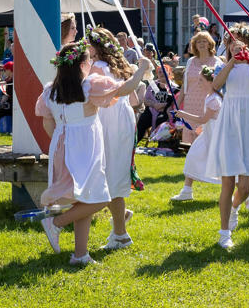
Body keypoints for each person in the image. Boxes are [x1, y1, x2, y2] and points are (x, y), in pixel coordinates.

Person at [37, 40, 148, 265]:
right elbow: (124, 89)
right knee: (100, 197)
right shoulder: (90, 85)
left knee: (83, 199)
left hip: (62, 145)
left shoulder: (50, 90)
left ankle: (80, 255)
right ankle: (56, 223)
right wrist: (141, 71)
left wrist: (60, 141)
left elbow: (47, 122)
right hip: (87, 146)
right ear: (83, 63)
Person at [205, 23, 249, 249]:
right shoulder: (225, 67)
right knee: (228, 182)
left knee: (244, 187)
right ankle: (224, 232)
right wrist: (233, 61)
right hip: (230, 123)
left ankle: (235, 208)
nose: (235, 48)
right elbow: (216, 85)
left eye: (240, 44)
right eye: (231, 44)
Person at [86, 26, 147, 249]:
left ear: (95, 47)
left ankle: (121, 234)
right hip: (123, 119)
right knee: (113, 170)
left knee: (107, 172)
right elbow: (132, 101)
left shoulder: (98, 67)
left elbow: (116, 94)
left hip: (108, 118)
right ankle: (120, 222)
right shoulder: (117, 66)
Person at [171, 66, 223, 201]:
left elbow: (204, 118)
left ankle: (238, 193)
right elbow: (207, 120)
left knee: (222, 165)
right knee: (192, 157)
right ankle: (186, 190)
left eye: (201, 80)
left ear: (210, 82)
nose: (198, 83)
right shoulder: (209, 96)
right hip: (208, 134)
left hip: (215, 136)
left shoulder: (214, 99)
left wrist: (184, 114)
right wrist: (202, 126)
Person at [178, 32, 222, 145]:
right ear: (194, 45)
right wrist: (177, 103)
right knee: (189, 138)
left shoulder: (217, 62)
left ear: (209, 44)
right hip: (190, 103)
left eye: (204, 41)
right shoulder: (190, 61)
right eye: (198, 41)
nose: (201, 44)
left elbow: (220, 84)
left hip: (206, 102)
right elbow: (185, 84)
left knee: (204, 138)